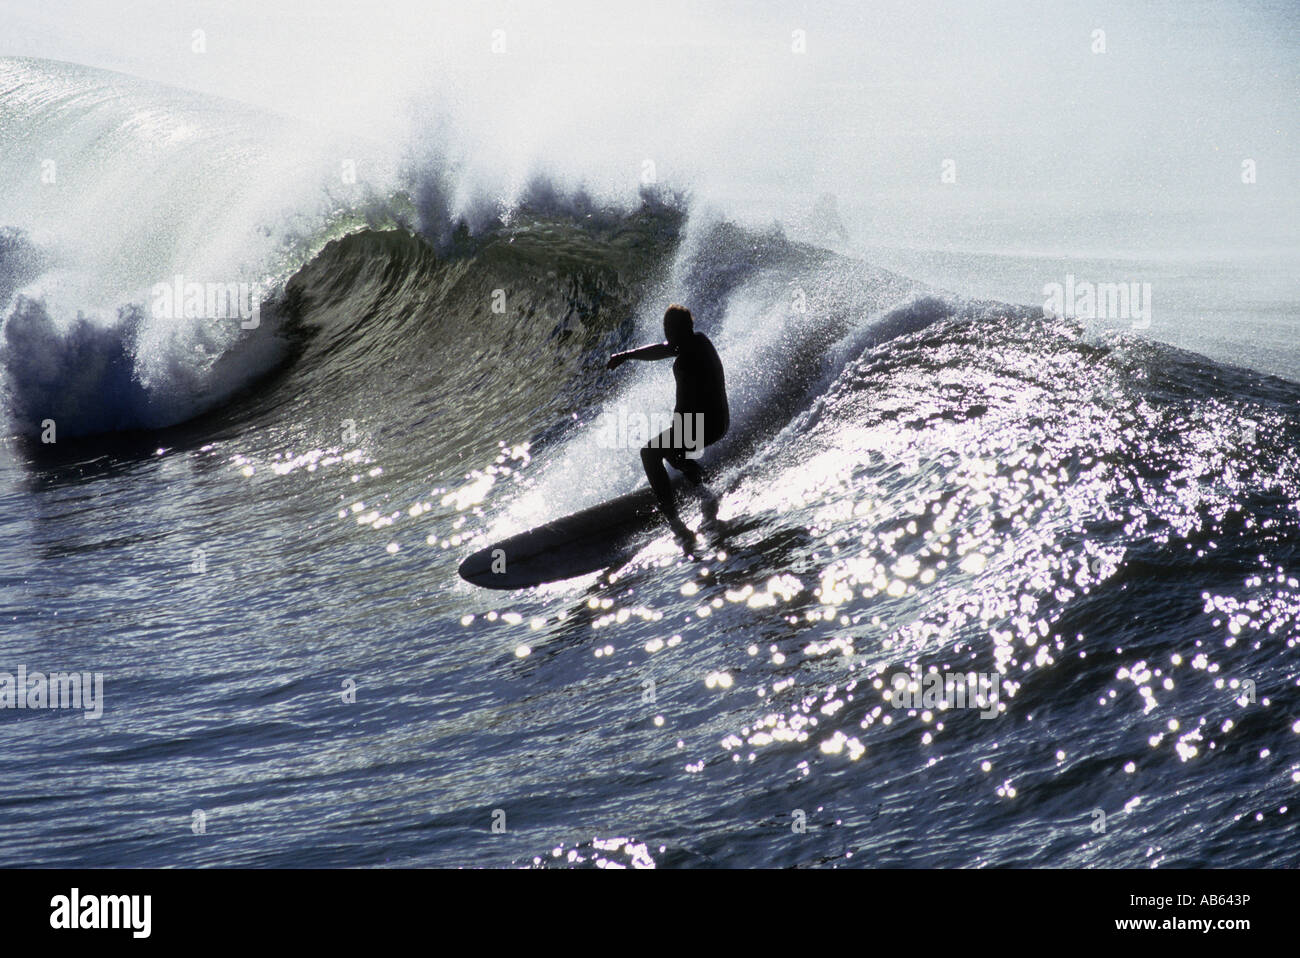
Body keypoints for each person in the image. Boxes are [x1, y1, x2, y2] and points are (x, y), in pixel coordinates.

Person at [606, 304, 729, 542]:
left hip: (708, 424)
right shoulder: (698, 341)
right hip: (717, 421)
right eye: (666, 328)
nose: (666, 334)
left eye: (670, 328)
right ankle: (704, 492)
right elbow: (663, 350)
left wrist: (675, 436)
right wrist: (627, 355)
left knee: (650, 453)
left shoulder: (688, 357)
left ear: (683, 329)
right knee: (671, 450)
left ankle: (673, 518)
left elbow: (688, 404)